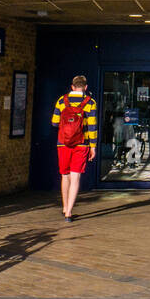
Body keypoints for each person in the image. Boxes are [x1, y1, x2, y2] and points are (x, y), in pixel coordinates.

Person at [53, 75, 97, 222]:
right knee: (75, 176)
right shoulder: (90, 103)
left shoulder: (61, 100)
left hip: (63, 143)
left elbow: (54, 122)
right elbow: (92, 126)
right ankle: (69, 213)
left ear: (72, 87)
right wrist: (93, 146)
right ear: (85, 87)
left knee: (64, 175)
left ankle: (65, 207)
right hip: (81, 144)